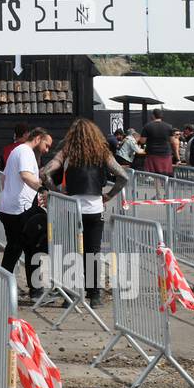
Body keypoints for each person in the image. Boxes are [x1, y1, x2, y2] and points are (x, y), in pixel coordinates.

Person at [40, 119, 128, 307]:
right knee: (92, 251)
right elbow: (123, 176)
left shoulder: (67, 152)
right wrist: (109, 195)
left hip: (71, 207)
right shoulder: (102, 152)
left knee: (70, 251)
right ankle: (94, 295)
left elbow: (45, 173)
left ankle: (70, 294)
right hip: (95, 208)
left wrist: (56, 192)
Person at [0, 128, 52, 300]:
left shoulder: (16, 151)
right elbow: (26, 176)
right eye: (46, 145)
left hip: (10, 207)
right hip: (21, 208)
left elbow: (3, 178)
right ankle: (34, 289)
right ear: (37, 138)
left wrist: (9, 193)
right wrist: (42, 189)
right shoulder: (26, 152)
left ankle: (4, 286)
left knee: (15, 248)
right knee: (32, 247)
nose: (46, 150)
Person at [141, 109, 176, 175]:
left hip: (152, 153)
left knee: (154, 175)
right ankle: (163, 185)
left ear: (153, 115)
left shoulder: (147, 126)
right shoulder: (169, 126)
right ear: (161, 116)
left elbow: (142, 141)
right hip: (165, 154)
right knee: (165, 174)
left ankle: (157, 185)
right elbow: (172, 141)